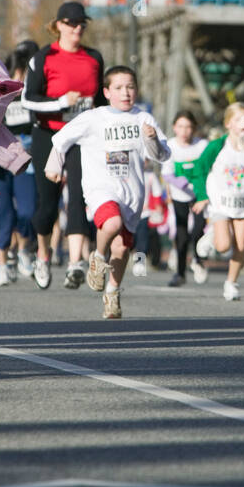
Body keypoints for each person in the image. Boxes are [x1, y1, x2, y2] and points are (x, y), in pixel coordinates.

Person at [45, 65, 170, 319]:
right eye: (119, 88)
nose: (126, 93)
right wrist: (54, 164)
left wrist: (153, 139)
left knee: (122, 249)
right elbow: (61, 139)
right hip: (101, 188)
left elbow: (162, 155)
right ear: (107, 91)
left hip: (132, 193)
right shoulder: (94, 117)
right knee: (111, 223)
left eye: (131, 87)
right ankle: (97, 258)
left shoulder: (143, 119)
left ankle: (112, 292)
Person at [23, 2, 106, 291]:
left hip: (83, 137)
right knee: (47, 204)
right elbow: (27, 99)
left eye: (82, 23)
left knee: (80, 197)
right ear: (58, 24)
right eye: (71, 23)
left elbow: (102, 102)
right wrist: (60, 103)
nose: (77, 28)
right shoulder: (43, 57)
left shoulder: (94, 58)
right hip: (48, 135)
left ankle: (75, 264)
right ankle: (43, 255)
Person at [185, 102, 244, 301]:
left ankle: (231, 283)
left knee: (241, 245)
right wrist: (202, 197)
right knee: (223, 246)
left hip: (242, 203)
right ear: (228, 124)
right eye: (238, 120)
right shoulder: (217, 146)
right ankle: (211, 236)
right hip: (220, 203)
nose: (243, 124)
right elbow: (199, 170)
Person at [0, 42, 40, 286]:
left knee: (28, 211)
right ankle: (1, 264)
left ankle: (23, 251)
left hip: (25, 160)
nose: (19, 78)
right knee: (4, 214)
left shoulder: (33, 97)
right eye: (16, 72)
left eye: (24, 73)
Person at [162, 110, 210, 287]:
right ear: (175, 127)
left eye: (188, 127)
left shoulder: (202, 145)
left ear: (194, 128)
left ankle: (198, 260)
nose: (184, 131)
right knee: (181, 234)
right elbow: (167, 174)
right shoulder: (170, 145)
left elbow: (209, 167)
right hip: (180, 194)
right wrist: (181, 183)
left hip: (200, 194)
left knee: (198, 229)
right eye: (181, 126)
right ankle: (180, 273)